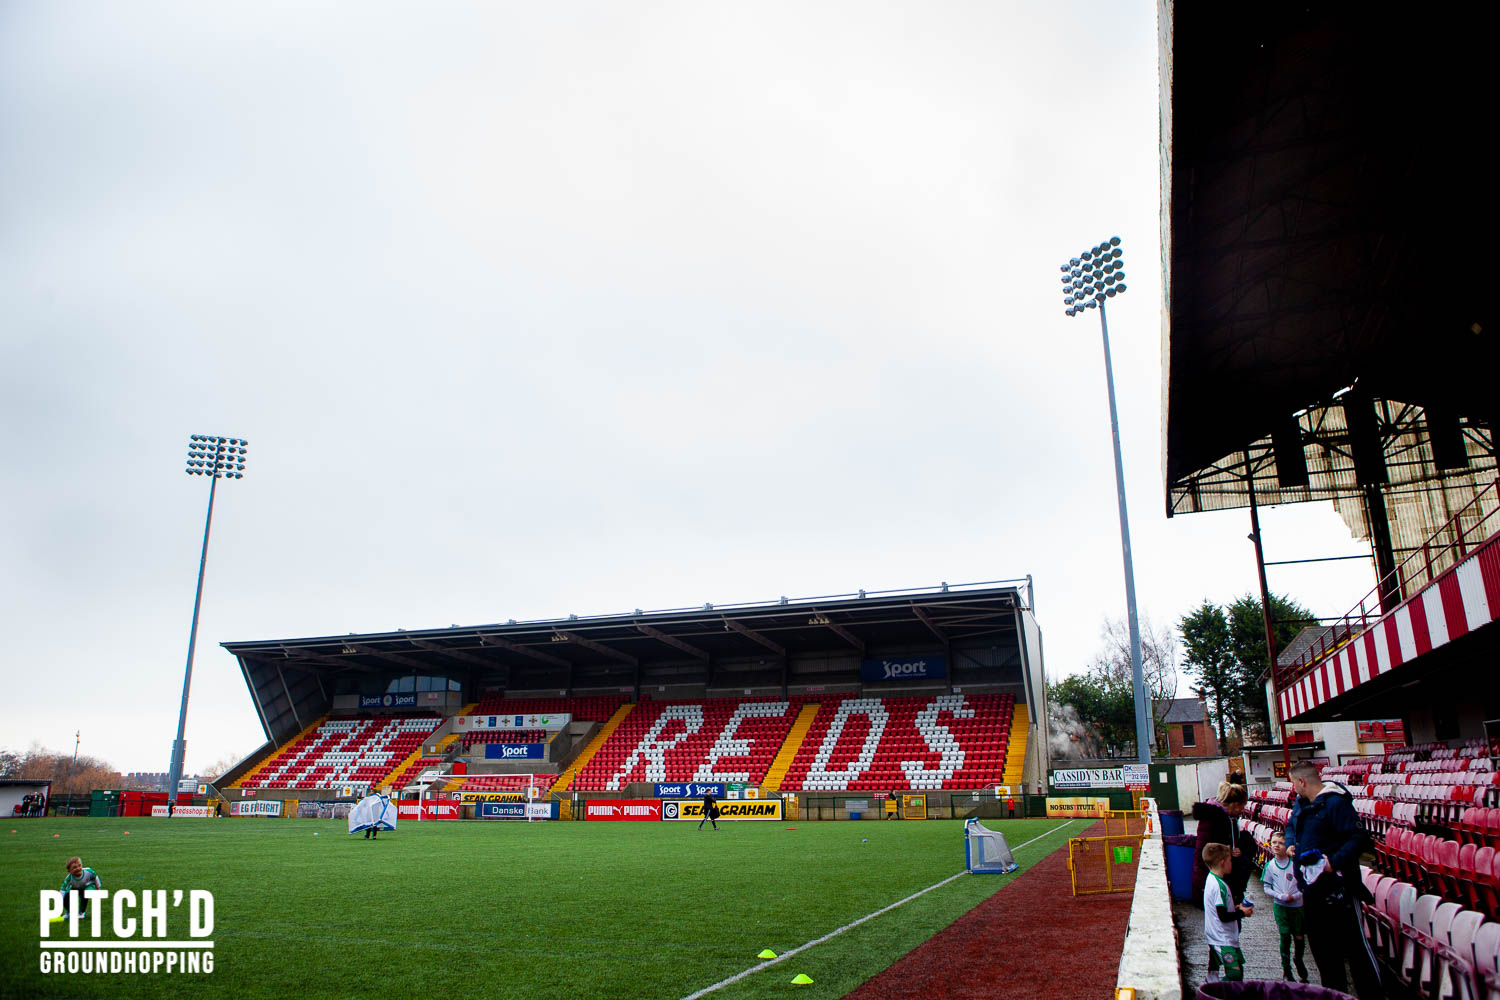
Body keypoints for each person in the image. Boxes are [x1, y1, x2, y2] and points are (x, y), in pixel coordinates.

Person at [1286, 760, 1381, 998]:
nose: (1293, 789)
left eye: (1293, 783)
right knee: (1324, 955)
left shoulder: (1337, 804)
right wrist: (1290, 844)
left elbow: (1358, 840)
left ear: (1302, 781)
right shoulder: (1301, 804)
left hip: (1340, 892)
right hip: (1312, 892)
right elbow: (1291, 826)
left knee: (1356, 952)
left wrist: (1333, 863)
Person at [1191, 781, 1254, 907]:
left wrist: (1238, 848)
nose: (1242, 811)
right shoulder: (1213, 819)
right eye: (1242, 807)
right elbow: (1203, 852)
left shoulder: (1229, 819)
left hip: (1225, 877)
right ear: (1235, 805)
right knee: (1222, 918)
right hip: (1217, 878)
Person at [1261, 830, 1309, 982]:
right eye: (1274, 842)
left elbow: (1305, 885)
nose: (1276, 846)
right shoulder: (1270, 866)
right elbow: (1266, 887)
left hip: (1297, 906)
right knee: (1285, 935)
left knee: (1299, 936)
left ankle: (1299, 959)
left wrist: (1294, 896)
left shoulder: (1296, 864)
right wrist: (1279, 896)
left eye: (1281, 843)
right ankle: (1286, 969)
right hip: (1280, 906)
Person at [1202, 842, 1254, 982]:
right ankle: (1212, 991)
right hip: (1222, 938)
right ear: (1223, 862)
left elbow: (1220, 908)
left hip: (1220, 936)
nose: (1232, 863)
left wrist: (1237, 908)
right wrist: (1243, 913)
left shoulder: (1212, 879)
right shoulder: (1219, 886)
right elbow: (1223, 916)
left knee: (1237, 972)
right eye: (1230, 860)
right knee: (1235, 974)